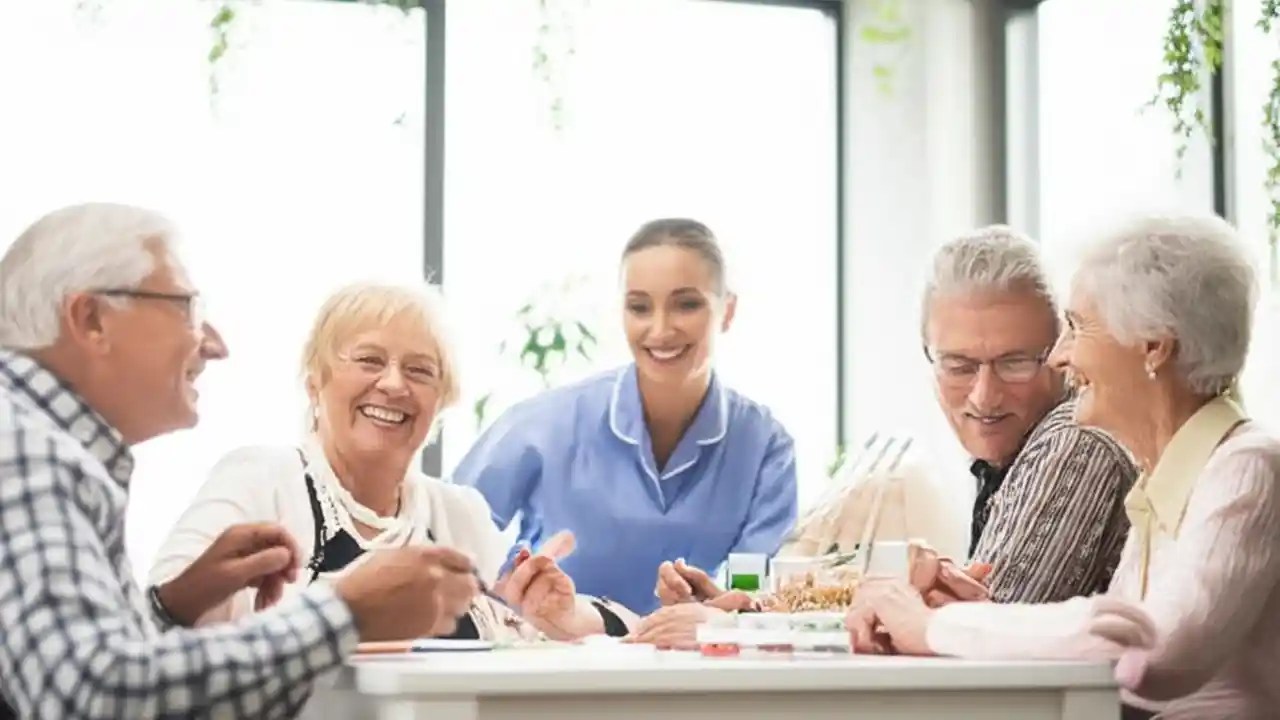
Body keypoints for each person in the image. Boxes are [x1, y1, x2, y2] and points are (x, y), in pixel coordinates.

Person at [0, 203, 478, 719]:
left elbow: (97, 670)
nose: (215, 344)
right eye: (186, 309)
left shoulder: (43, 448)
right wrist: (346, 613)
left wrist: (175, 606)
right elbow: (92, 699)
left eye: (420, 371)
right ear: (92, 319)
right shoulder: (26, 452)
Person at [846, 215, 1280, 719]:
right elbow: (1110, 655)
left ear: (1154, 348)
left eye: (1077, 327)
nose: (1059, 356)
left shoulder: (1246, 468)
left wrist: (932, 627)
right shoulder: (1166, 480)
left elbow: (1150, 653)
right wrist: (973, 614)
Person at [639, 226, 1136, 644]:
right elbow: (950, 626)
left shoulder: (1075, 442)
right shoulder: (1015, 459)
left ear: (1061, 352)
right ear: (928, 355)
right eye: (959, 365)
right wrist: (750, 607)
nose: (984, 396)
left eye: (1015, 362)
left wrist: (736, 627)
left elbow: (977, 645)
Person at [150, 281, 639, 642]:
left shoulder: (458, 514)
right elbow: (159, 616)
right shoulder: (260, 478)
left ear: (441, 401)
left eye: (420, 370)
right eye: (369, 360)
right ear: (315, 383)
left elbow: (525, 632)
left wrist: (558, 614)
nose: (393, 384)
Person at [451, 218, 798, 614]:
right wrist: (502, 591)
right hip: (549, 651)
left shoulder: (765, 446)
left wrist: (715, 604)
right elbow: (444, 539)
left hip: (701, 652)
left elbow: (752, 592)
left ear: (728, 310)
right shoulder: (543, 425)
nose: (660, 329)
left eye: (686, 304)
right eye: (639, 307)